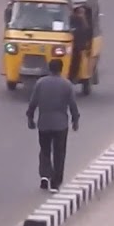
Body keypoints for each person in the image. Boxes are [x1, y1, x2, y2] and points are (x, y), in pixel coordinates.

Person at [26, 58, 80, 192]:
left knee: (45, 150)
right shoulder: (67, 85)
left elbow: (33, 103)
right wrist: (75, 120)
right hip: (61, 125)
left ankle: (44, 177)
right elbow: (72, 105)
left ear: (49, 69)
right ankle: (55, 183)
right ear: (61, 69)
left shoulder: (40, 83)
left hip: (44, 123)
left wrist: (30, 118)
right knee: (59, 153)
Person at [67, 6, 91, 83]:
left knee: (77, 59)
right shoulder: (72, 19)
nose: (81, 14)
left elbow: (86, 32)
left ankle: (73, 77)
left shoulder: (83, 21)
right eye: (80, 12)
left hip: (78, 46)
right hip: (71, 45)